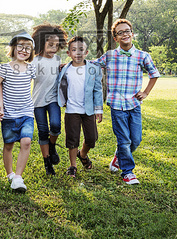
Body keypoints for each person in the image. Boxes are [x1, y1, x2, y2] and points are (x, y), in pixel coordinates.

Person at [93, 18, 159, 185]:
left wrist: (145, 92)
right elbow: (91, 65)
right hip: (116, 105)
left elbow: (154, 74)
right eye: (119, 32)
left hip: (134, 105)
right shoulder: (109, 56)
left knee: (135, 140)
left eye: (127, 31)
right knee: (124, 140)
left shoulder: (142, 56)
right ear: (115, 38)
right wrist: (71, 63)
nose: (124, 34)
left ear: (132, 34)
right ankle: (128, 172)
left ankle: (118, 156)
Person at [0, 31, 37, 193]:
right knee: (8, 145)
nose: (24, 51)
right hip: (9, 114)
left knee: (26, 142)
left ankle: (18, 177)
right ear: (13, 49)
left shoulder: (31, 69)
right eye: (20, 47)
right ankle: (10, 174)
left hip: (27, 113)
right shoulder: (4, 68)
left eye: (28, 48)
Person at [56, 36, 103, 178]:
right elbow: (60, 85)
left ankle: (82, 154)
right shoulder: (65, 69)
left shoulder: (93, 69)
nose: (78, 53)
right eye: (74, 50)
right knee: (72, 138)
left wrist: (99, 109)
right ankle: (72, 166)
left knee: (92, 138)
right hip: (71, 109)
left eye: (81, 49)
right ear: (69, 53)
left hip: (88, 110)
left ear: (87, 52)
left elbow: (97, 90)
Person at [31, 23, 68, 176]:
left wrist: (64, 67)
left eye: (56, 45)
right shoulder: (34, 62)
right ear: (41, 43)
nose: (53, 48)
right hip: (37, 102)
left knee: (55, 125)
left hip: (53, 99)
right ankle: (47, 163)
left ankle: (52, 146)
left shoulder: (57, 60)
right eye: (50, 45)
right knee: (42, 131)